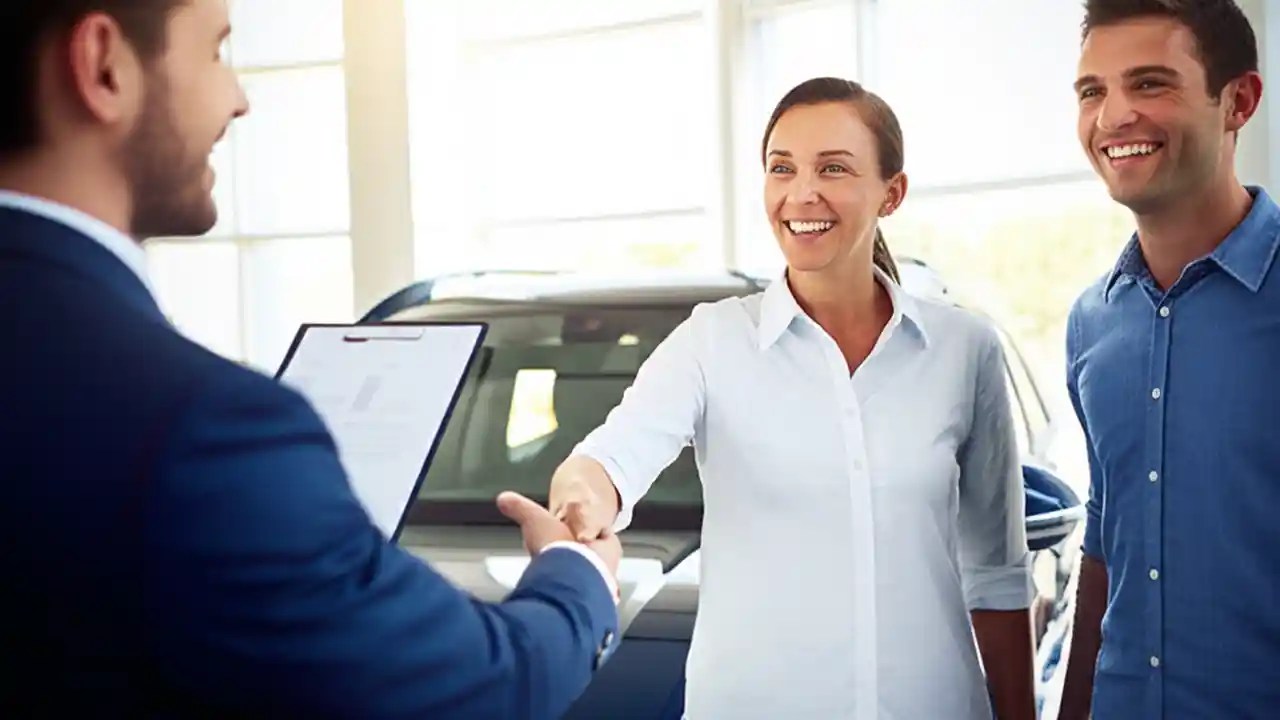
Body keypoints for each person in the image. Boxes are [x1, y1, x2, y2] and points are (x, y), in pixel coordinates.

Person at [0, 1, 620, 717]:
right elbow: (484, 687)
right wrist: (577, 576)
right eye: (215, 51)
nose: (239, 98)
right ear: (104, 65)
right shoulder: (205, 429)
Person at [547, 76, 1037, 720]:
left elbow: (997, 574)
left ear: (893, 193)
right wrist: (581, 502)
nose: (802, 192)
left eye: (833, 168)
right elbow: (612, 457)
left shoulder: (964, 348)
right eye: (783, 168)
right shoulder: (712, 342)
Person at [1056, 1, 1278, 718]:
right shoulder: (1092, 321)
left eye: (1150, 84)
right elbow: (1104, 539)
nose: (1113, 116)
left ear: (1237, 100)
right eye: (1093, 91)